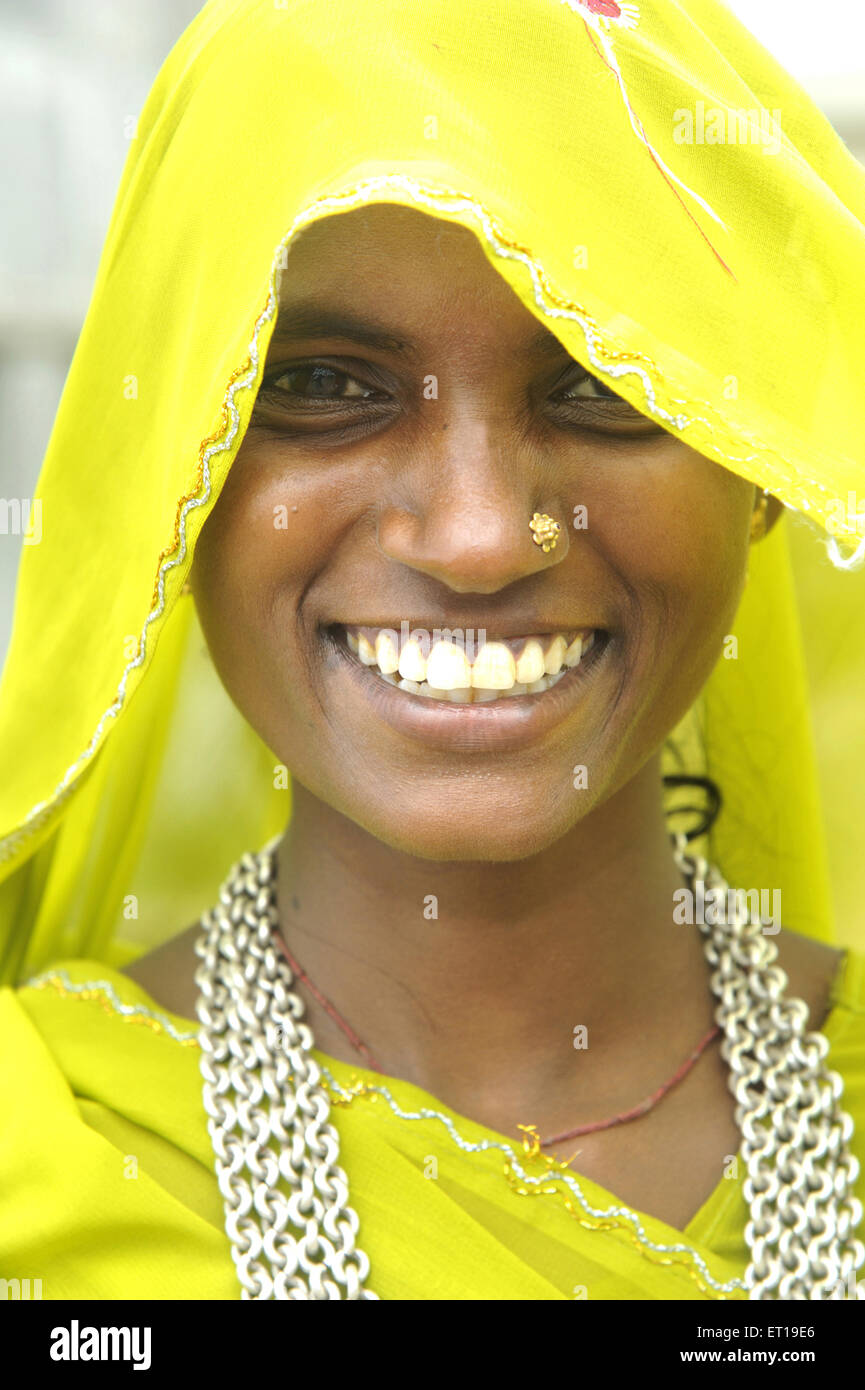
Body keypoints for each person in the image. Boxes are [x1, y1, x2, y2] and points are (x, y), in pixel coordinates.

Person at [1, 0, 864, 1301]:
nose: (477, 537)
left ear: (759, 469)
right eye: (326, 386)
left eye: (606, 380)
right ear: (181, 470)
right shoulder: (38, 1168)